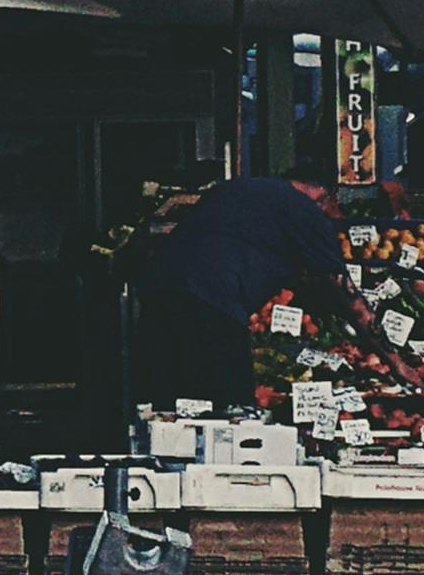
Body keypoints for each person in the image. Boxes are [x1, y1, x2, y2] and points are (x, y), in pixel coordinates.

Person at [124, 159, 362, 417]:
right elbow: (347, 296)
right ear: (322, 196)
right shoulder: (302, 208)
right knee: (231, 412)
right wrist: (396, 362)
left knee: (164, 407)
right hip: (214, 308)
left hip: (159, 294)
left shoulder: (238, 189)